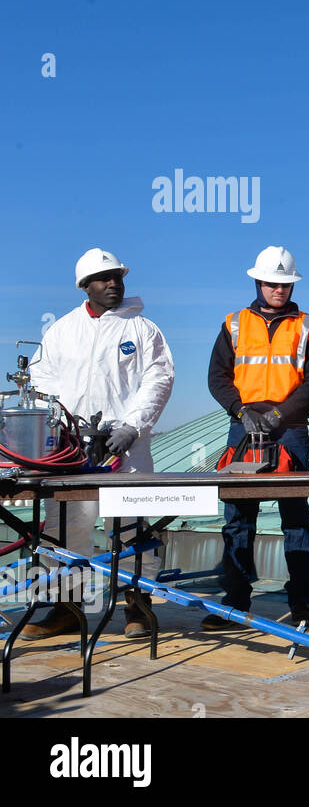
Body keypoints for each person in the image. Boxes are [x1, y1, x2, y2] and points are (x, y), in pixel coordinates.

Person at [22, 248, 174, 640]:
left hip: (128, 448)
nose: (113, 284)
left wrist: (131, 426)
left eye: (117, 277)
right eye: (103, 279)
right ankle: (66, 609)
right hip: (75, 450)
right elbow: (42, 383)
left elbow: (157, 381)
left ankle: (135, 606)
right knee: (66, 528)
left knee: (130, 530)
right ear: (85, 286)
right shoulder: (62, 331)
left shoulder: (142, 330)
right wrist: (65, 428)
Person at [205, 246, 309, 629]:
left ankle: (301, 604)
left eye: (285, 284)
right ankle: (236, 602)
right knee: (239, 519)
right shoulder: (234, 324)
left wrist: (279, 413)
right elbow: (218, 377)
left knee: (295, 520)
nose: (279, 289)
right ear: (258, 282)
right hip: (244, 428)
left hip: (290, 430)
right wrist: (242, 412)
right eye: (272, 283)